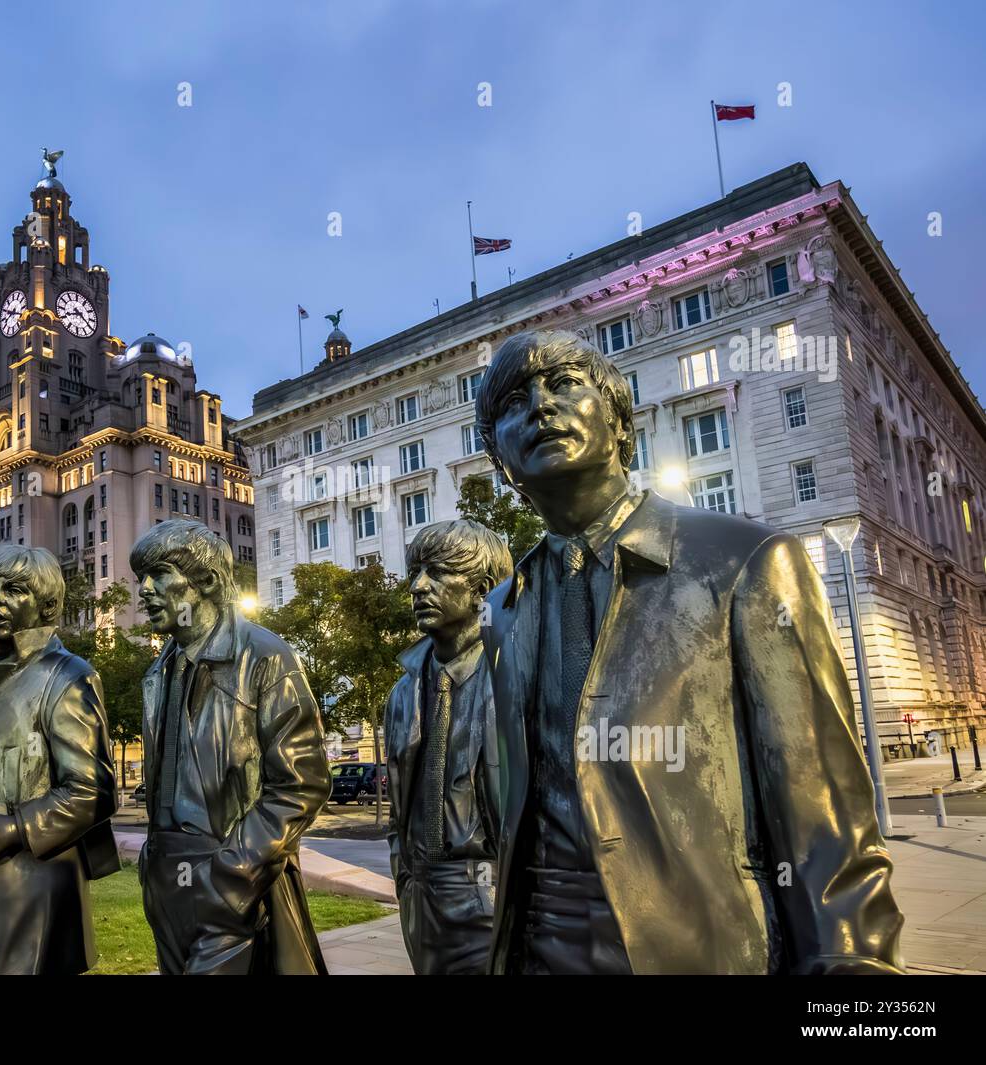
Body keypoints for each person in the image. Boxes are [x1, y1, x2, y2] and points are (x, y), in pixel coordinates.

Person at [474, 328, 904, 974]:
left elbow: (825, 817)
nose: (539, 405)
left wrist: (850, 963)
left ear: (621, 424)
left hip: (699, 947)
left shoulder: (744, 561)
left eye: (563, 383)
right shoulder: (504, 609)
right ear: (502, 463)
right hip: (539, 948)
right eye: (513, 400)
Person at [132, 518, 330, 974]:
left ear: (207, 581)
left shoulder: (265, 656)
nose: (144, 589)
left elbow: (302, 784)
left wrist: (234, 869)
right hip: (167, 878)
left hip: (231, 873)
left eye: (159, 574)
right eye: (141, 577)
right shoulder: (160, 670)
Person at [0, 544, 119, 975]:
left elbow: (94, 792)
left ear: (47, 605)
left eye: (14, 590)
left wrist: (14, 828)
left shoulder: (67, 675)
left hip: (26, 886)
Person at [385, 519, 512, 974]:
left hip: (493, 892)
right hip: (423, 896)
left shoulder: (515, 677)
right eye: (416, 572)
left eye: (437, 573)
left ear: (481, 589)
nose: (417, 587)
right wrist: (405, 878)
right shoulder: (403, 694)